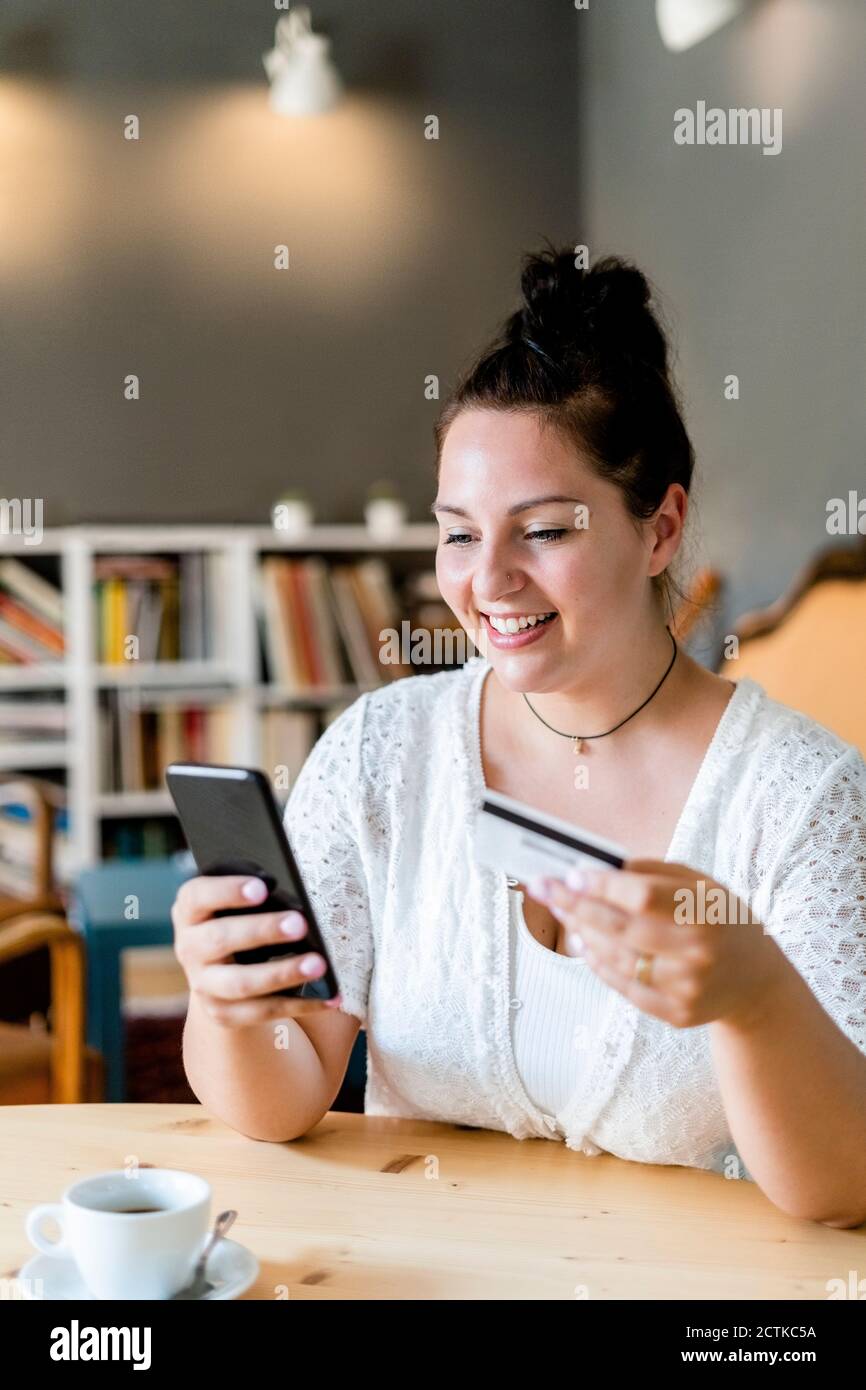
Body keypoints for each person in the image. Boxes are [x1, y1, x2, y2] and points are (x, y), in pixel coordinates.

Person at [173, 246, 866, 1226]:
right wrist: (226, 1004)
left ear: (659, 529)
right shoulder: (381, 753)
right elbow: (282, 1101)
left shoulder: (801, 799)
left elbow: (844, 1186)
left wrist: (753, 996)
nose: (486, 582)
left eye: (541, 530)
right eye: (459, 532)